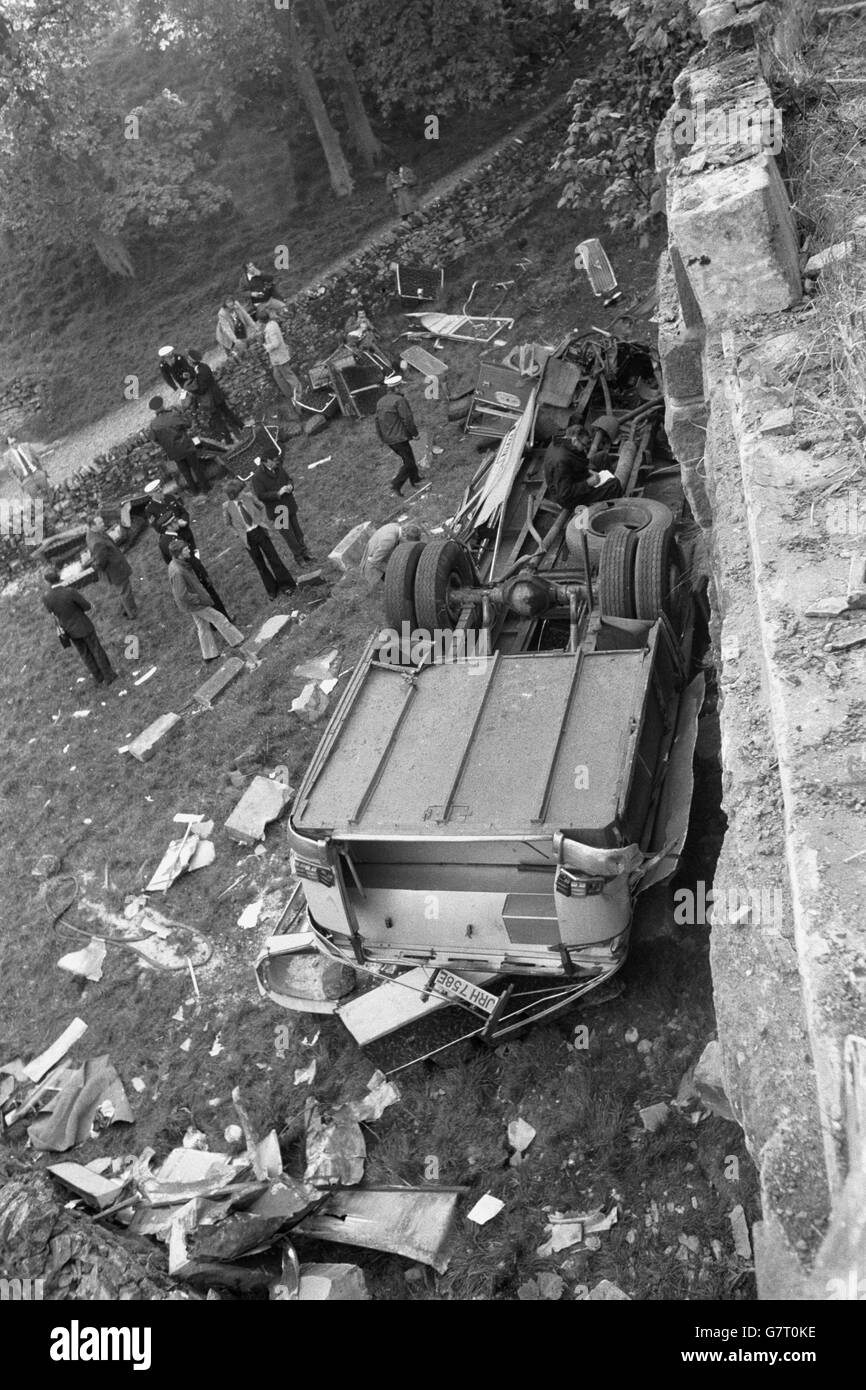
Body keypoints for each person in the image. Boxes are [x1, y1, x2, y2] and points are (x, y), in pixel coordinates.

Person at [143, 480, 230, 617]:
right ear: (151, 495)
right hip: (175, 540)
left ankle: (199, 571)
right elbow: (158, 527)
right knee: (191, 563)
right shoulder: (150, 510)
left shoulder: (170, 498)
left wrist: (184, 521)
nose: (161, 492)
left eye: (161, 489)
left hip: (185, 534)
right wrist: (174, 524)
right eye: (157, 491)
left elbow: (183, 511)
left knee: (195, 556)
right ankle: (199, 577)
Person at [167, 539, 245, 664]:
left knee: (202, 627)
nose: (189, 550)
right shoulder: (178, 571)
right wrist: (198, 599)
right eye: (186, 550)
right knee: (219, 618)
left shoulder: (177, 564)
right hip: (195, 603)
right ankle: (237, 640)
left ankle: (209, 655)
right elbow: (181, 595)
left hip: (191, 604)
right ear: (179, 554)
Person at [222, 480, 297, 602]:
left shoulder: (249, 496)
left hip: (259, 531)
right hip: (247, 537)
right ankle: (272, 589)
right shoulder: (227, 507)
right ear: (232, 495)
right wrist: (237, 533)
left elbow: (261, 507)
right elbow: (228, 523)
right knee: (260, 564)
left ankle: (286, 584)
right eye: (240, 492)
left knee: (273, 557)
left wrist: (260, 520)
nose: (243, 493)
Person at [41, 569, 116, 686]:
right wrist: (91, 605)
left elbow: (52, 612)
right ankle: (109, 675)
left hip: (69, 630)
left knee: (85, 653)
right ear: (59, 577)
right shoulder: (69, 592)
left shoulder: (46, 598)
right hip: (83, 625)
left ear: (48, 582)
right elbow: (86, 606)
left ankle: (99, 677)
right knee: (96, 649)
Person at [250, 454, 313, 564]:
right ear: (266, 461)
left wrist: (290, 486)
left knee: (298, 532)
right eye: (274, 460)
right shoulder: (257, 477)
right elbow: (260, 495)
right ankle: (299, 558)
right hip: (277, 511)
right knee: (289, 536)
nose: (276, 462)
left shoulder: (279, 467)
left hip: (290, 505)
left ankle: (306, 553)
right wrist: (278, 493)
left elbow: (289, 479)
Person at [543, 430, 623, 510]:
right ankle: (611, 502)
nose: (585, 448)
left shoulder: (562, 442)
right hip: (570, 499)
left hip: (574, 478)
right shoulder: (561, 462)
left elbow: (575, 463)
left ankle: (606, 490)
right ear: (574, 440)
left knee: (603, 457)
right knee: (615, 485)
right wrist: (588, 483)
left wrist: (588, 471)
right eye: (583, 445)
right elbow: (564, 493)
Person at [148, 396, 212, 495]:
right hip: (186, 446)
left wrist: (164, 444)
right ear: (162, 405)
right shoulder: (173, 415)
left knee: (185, 472)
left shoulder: (153, 424)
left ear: (153, 410)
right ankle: (206, 488)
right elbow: (188, 424)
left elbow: (153, 439)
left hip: (173, 452)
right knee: (196, 468)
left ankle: (194, 491)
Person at [185, 350, 245, 443]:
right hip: (216, 396)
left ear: (191, 361)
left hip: (212, 399)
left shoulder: (201, 370)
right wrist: (191, 377)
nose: (188, 361)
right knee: (227, 414)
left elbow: (202, 388)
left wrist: (192, 389)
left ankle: (229, 439)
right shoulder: (201, 367)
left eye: (188, 359)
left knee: (219, 420)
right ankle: (242, 427)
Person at [85, 515, 137, 620]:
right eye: (100, 523)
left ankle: (124, 610)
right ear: (93, 526)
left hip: (114, 566)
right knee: (125, 591)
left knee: (123, 590)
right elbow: (101, 561)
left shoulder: (91, 534)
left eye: (102, 521)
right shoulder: (97, 542)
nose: (103, 523)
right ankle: (132, 613)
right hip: (116, 569)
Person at [375, 374, 420, 496]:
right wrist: (415, 434)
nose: (401, 389)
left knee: (408, 457)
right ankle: (396, 484)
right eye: (400, 387)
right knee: (409, 462)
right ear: (396, 388)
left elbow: (377, 421)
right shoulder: (399, 400)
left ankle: (415, 478)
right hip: (399, 437)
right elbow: (407, 419)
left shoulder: (380, 402)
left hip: (389, 439)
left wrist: (382, 438)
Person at [360, 521, 422, 591]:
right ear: (404, 535)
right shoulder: (389, 540)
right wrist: (393, 571)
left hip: (380, 558)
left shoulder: (395, 526)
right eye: (408, 542)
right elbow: (375, 561)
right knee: (393, 591)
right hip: (373, 568)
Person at [259, 310, 301, 408]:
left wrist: (266, 346)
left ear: (261, 321)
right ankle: (290, 395)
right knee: (277, 375)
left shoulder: (270, 328)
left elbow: (276, 343)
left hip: (280, 357)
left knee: (288, 376)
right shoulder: (272, 323)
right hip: (276, 359)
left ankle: (298, 396)